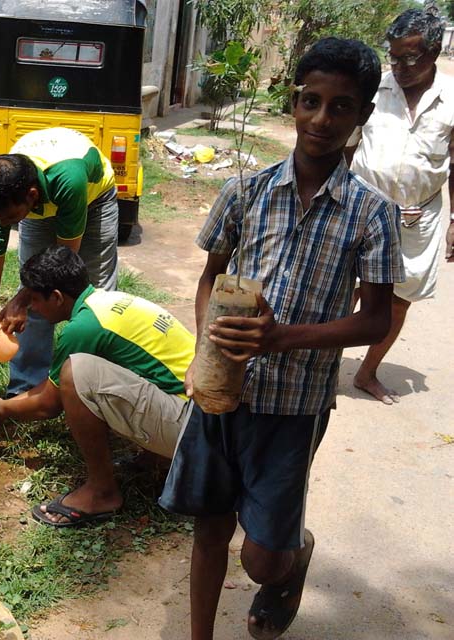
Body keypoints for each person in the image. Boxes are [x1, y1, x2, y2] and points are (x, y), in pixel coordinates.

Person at [159, 38, 404, 640]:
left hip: (294, 408)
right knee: (210, 529)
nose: (322, 120)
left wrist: (282, 338)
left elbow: (375, 319)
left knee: (261, 559)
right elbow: (211, 276)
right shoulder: (244, 192)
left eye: (341, 107)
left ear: (363, 116)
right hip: (223, 395)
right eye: (311, 102)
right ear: (293, 103)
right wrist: (203, 349)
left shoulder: (372, 214)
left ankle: (290, 560)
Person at [0, 245, 194, 527]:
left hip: (193, 430)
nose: (33, 308)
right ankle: (157, 458)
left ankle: (101, 492)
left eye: (35, 300)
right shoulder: (109, 301)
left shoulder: (84, 327)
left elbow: (48, 404)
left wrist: (1, 408)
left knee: (75, 375)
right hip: (203, 414)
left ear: (58, 297)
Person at [0, 127, 119, 396]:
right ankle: (25, 389)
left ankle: (96, 391)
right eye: (0, 219)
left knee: (96, 298)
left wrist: (19, 299)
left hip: (93, 199)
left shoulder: (69, 179)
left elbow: (63, 263)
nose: (6, 224)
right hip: (40, 207)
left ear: (31, 195)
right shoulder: (2, 200)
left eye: (10, 218)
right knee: (36, 300)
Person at [345, 7, 454, 405]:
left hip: (418, 217)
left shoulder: (452, 101)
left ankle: (367, 372)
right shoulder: (372, 89)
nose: (401, 66)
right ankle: (317, 362)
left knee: (397, 297)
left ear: (434, 51)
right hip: (361, 209)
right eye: (394, 56)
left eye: (411, 57)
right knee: (342, 285)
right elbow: (347, 145)